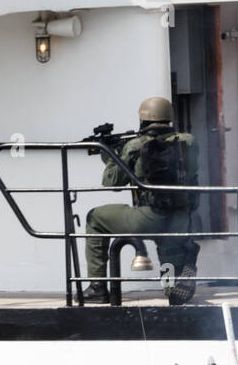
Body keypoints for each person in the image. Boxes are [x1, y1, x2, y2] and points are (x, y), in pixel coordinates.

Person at [83, 97, 200, 305]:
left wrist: (111, 155)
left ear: (143, 119)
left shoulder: (135, 145)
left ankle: (98, 287)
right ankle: (179, 276)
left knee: (95, 218)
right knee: (173, 288)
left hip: (148, 218)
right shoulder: (189, 142)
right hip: (180, 220)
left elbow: (111, 182)